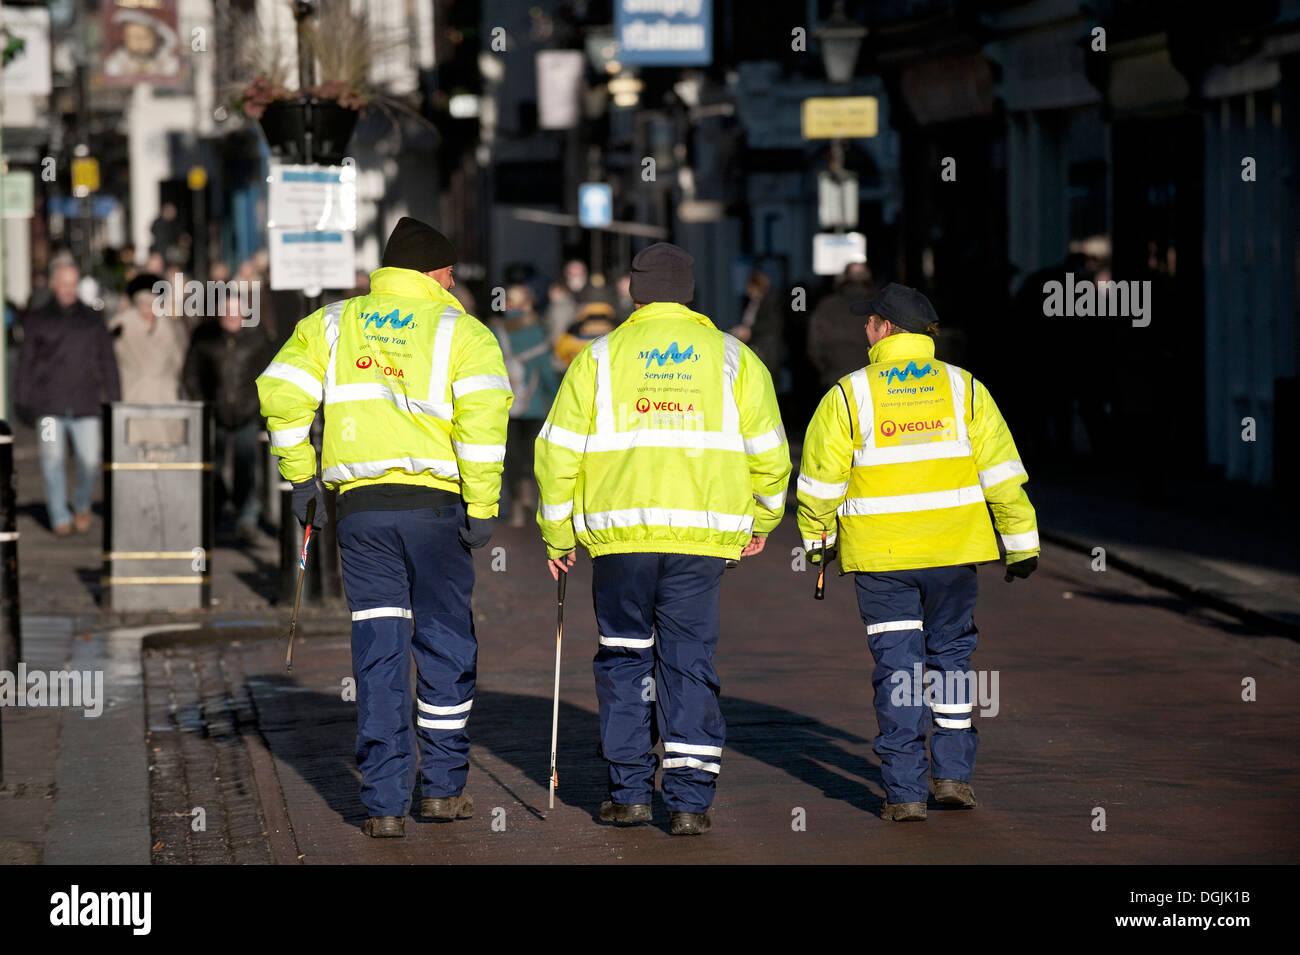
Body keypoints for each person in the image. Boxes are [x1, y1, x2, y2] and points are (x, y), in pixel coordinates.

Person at [257, 217, 512, 839]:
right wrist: (482, 510)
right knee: (446, 643)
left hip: (363, 514)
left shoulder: (332, 323)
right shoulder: (464, 332)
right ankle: (444, 790)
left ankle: (383, 802)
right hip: (435, 512)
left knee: (379, 649)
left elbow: (281, 393)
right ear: (433, 272)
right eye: (449, 272)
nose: (453, 283)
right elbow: (482, 430)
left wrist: (303, 478)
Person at [535, 243, 790, 835]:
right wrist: (763, 519)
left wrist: (557, 534)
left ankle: (628, 795)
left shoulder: (600, 357)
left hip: (620, 541)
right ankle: (690, 801)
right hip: (701, 541)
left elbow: (556, 452)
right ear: (691, 293)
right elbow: (772, 453)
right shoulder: (733, 358)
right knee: (689, 660)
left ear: (633, 291)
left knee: (624, 658)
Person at [795, 283, 1039, 822]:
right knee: (951, 659)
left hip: (883, 560)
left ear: (886, 329)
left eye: (870, 321)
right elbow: (1001, 474)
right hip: (953, 555)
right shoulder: (965, 389)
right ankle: (952, 777)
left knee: (896, 667)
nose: (863, 328)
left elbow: (818, 484)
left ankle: (905, 793)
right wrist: (1021, 544)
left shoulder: (849, 394)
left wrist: (817, 545)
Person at [15, 261, 121, 536]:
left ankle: (81, 504)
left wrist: (115, 396)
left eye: (73, 284)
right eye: (63, 284)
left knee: (89, 460)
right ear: (53, 285)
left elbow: (107, 360)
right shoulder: (39, 319)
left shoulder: (92, 319)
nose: (68, 290)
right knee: (52, 460)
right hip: (49, 405)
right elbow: (26, 362)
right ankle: (59, 515)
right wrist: (23, 398)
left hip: (86, 404)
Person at [183, 291, 274, 540]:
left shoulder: (257, 339)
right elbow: (191, 374)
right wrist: (203, 403)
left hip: (247, 413)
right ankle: (218, 510)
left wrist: (255, 406)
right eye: (227, 311)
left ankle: (247, 515)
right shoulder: (206, 339)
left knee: (246, 465)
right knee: (215, 467)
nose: (231, 316)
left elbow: (268, 375)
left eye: (236, 311)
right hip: (216, 412)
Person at [490, 285, 561, 527]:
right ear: (528, 303)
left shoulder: (494, 331)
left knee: (511, 456)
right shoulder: (536, 332)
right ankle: (530, 491)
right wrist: (555, 399)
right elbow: (548, 374)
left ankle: (517, 505)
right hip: (534, 405)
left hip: (504, 407)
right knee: (533, 456)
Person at [807, 261, 876, 391]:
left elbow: (814, 346)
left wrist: (825, 371)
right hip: (873, 376)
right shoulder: (879, 306)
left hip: (836, 376)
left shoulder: (827, 306)